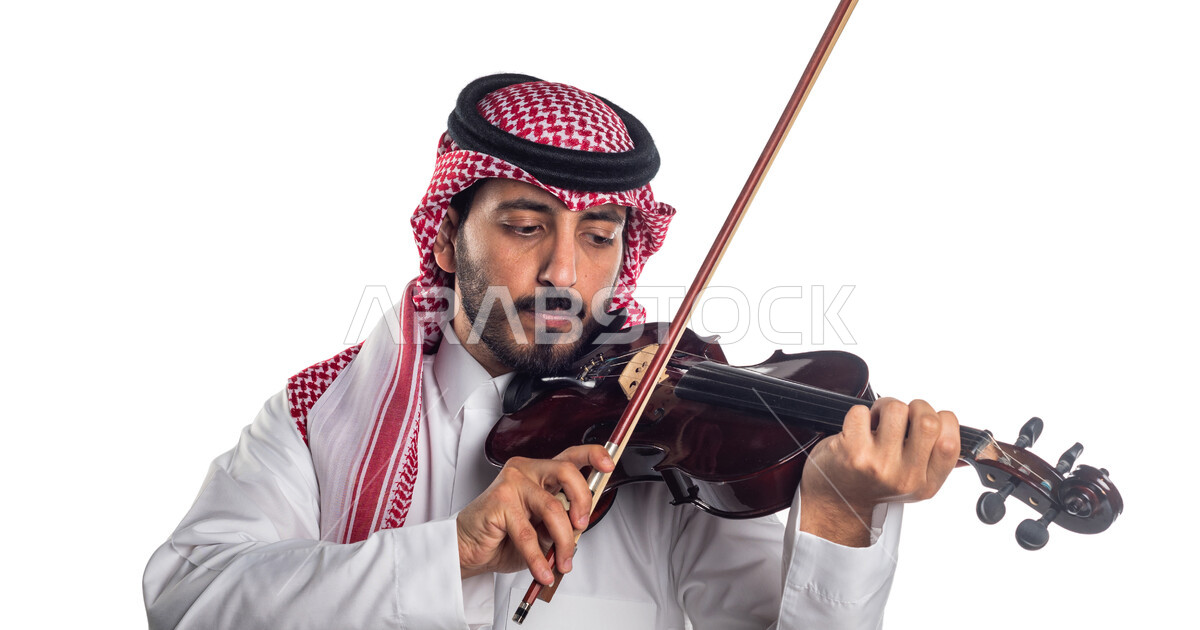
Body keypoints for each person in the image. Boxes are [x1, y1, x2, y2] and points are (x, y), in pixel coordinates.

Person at [143, 73, 961, 629]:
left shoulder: (678, 433)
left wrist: (835, 516)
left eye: (600, 236)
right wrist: (452, 550)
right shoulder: (316, 415)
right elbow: (187, 598)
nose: (566, 272)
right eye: (526, 227)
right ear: (444, 240)